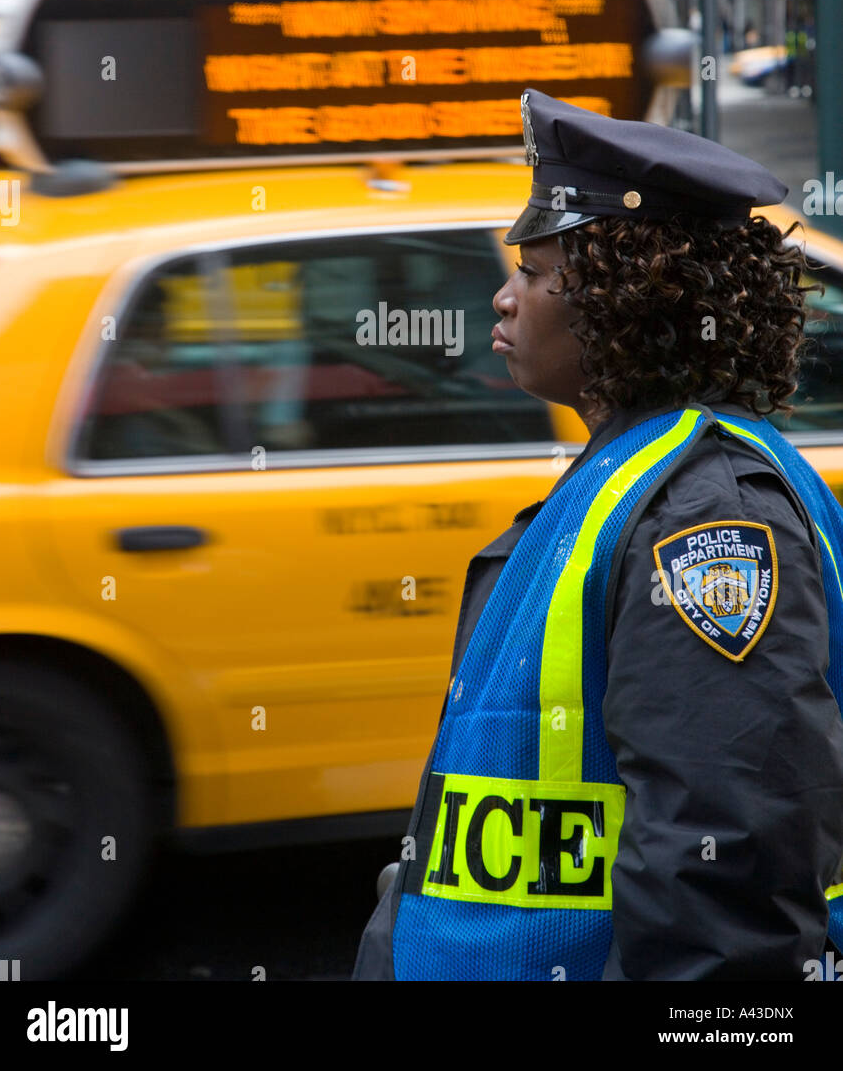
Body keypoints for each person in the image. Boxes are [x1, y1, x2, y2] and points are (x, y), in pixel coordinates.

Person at [352, 89, 843, 982]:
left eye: (534, 273)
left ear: (628, 300)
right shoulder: (627, 478)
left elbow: (722, 879)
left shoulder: (712, 518)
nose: (503, 301)